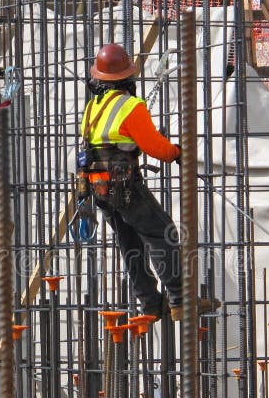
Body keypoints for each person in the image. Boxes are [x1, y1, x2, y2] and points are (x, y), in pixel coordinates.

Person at [78, 43, 219, 321]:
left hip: (99, 188)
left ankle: (150, 302)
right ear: (127, 77)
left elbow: (111, 144)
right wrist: (176, 152)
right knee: (162, 233)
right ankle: (180, 300)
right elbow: (156, 148)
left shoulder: (93, 108)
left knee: (129, 242)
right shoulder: (130, 106)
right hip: (124, 186)